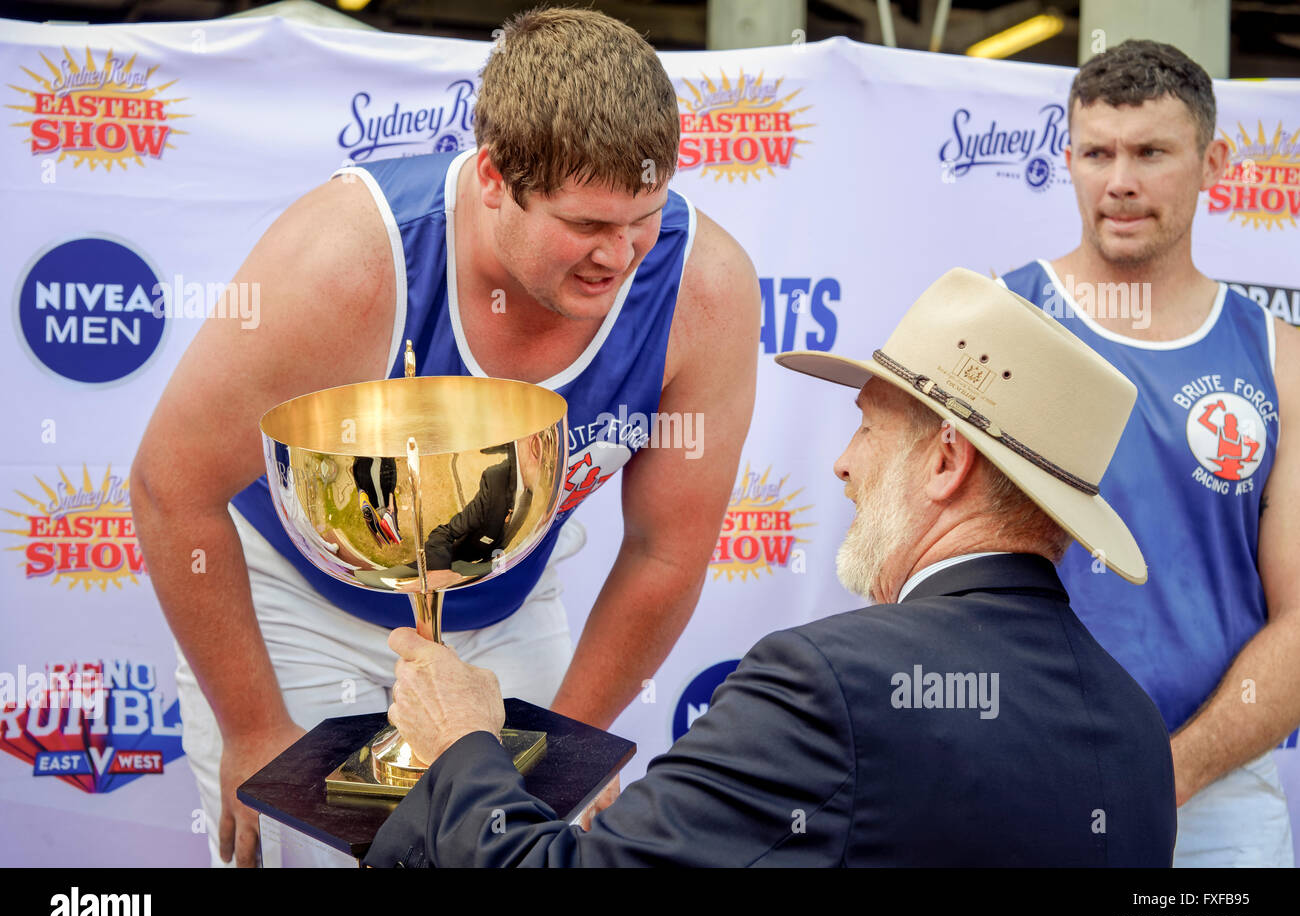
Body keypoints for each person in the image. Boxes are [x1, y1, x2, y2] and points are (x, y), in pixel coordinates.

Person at [130, 6, 759, 867]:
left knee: (516, 856)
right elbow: (173, 486)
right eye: (585, 225)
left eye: (643, 215)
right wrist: (252, 726)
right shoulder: (351, 260)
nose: (620, 256)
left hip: (501, 592)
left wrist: (573, 738)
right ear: (495, 177)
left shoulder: (703, 289)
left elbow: (665, 551)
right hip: (301, 602)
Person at [361, 268, 1177, 867]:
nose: (843, 465)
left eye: (869, 429)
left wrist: (466, 743)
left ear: (946, 463)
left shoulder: (831, 683)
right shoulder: (1139, 731)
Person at [998, 39, 1299, 866]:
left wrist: (1167, 773)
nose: (1120, 181)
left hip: (1218, 796)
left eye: (1152, 153)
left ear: (1214, 164)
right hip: (1021, 781)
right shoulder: (994, 326)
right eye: (1097, 153)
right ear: (1070, 160)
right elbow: (911, 569)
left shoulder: (1280, 359)